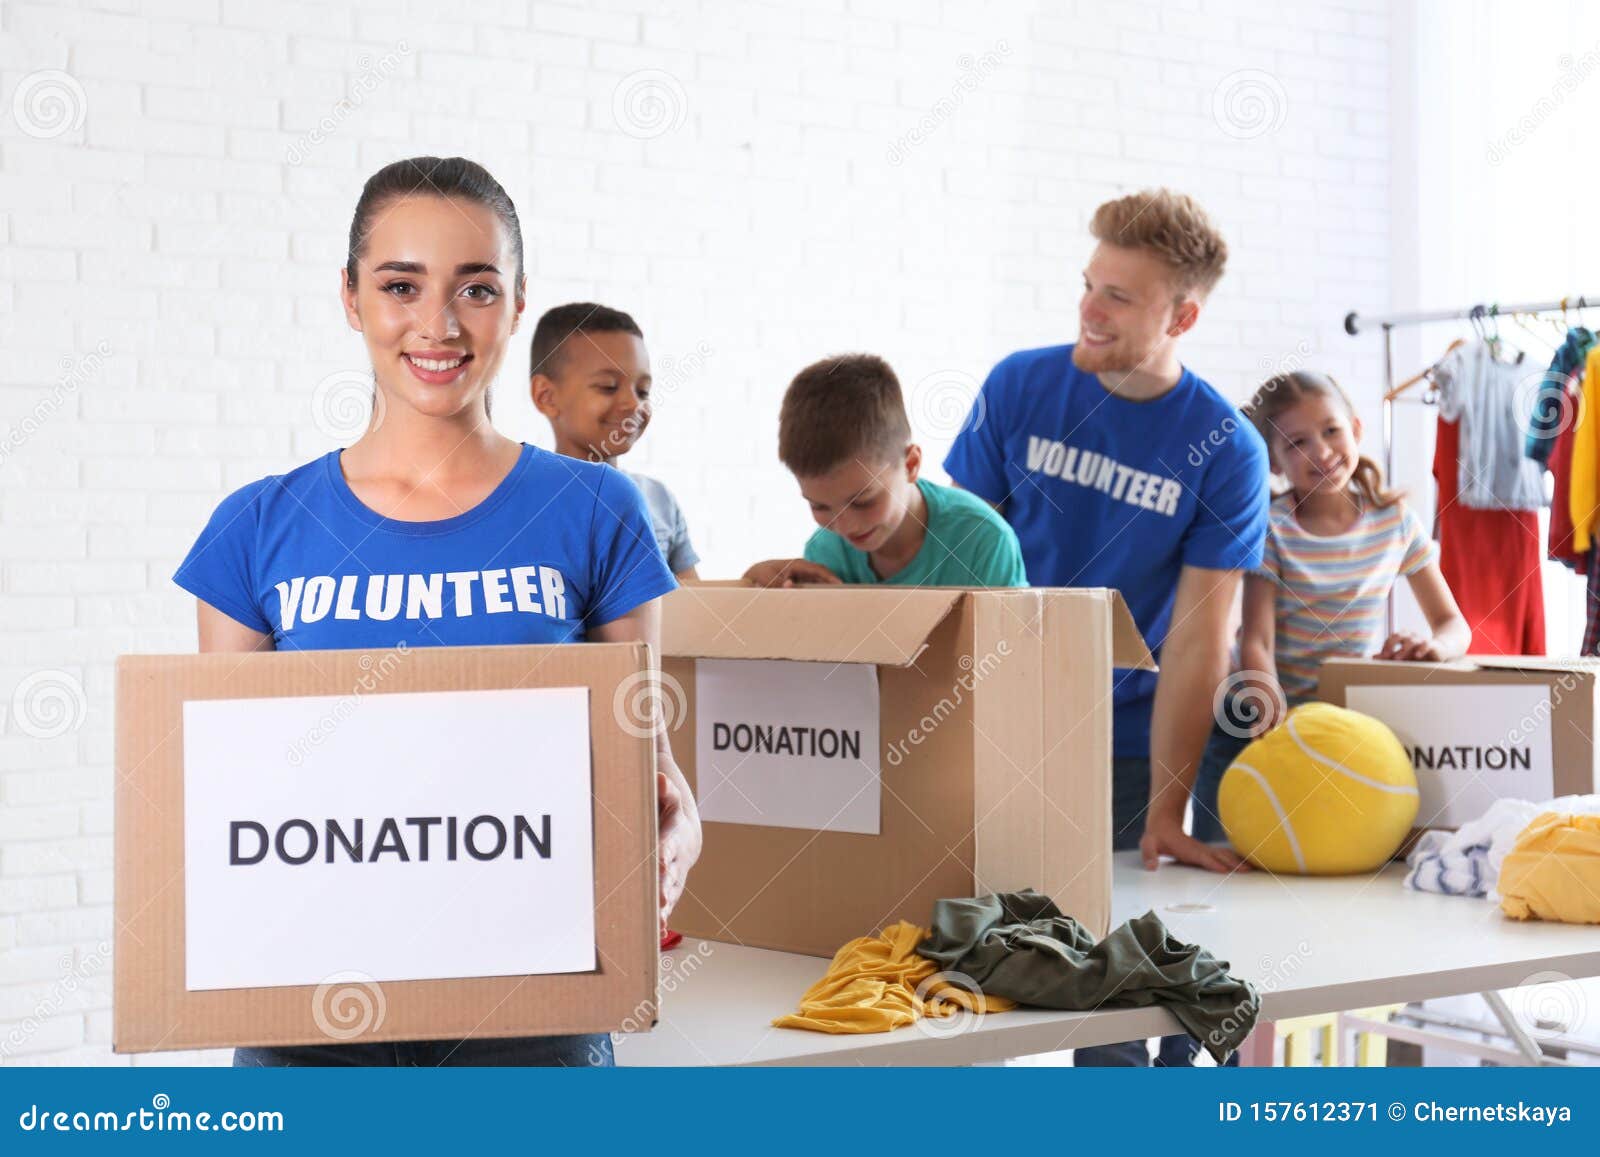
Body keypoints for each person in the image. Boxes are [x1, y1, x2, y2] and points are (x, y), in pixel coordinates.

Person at [172, 156, 701, 1067]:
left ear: (520, 301)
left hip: (538, 1009)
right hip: (315, 1016)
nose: (440, 324)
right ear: (350, 298)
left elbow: (643, 753)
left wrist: (676, 814)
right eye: (401, 285)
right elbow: (236, 799)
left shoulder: (596, 511)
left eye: (478, 288)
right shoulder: (256, 528)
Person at [941, 189, 1268, 1067]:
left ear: (1183, 314)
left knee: (1126, 1005)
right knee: (973, 973)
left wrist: (1168, 807)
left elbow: (1203, 638)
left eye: (1119, 296)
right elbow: (958, 560)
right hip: (1004, 730)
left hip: (1127, 741)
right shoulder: (1020, 385)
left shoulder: (1226, 446)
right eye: (1090, 284)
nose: (1090, 307)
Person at [1199, 370, 1470, 779]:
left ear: (1356, 429)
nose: (1321, 452)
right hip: (1253, 712)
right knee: (1225, 840)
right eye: (1297, 443)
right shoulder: (1273, 526)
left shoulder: (1394, 521)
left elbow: (1453, 625)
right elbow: (1257, 640)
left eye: (1331, 430)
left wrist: (1435, 649)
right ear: (1274, 461)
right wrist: (1276, 720)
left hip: (1340, 713)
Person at [743, 353, 1025, 588]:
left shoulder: (984, 540)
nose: (846, 526)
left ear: (911, 464)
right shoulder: (826, 550)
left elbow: (1012, 648)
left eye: (863, 501)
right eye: (820, 506)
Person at [530, 302, 701, 582]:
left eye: (643, 390)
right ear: (546, 396)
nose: (633, 403)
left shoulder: (659, 501)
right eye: (608, 387)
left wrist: (751, 584)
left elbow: (693, 609)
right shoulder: (525, 503)